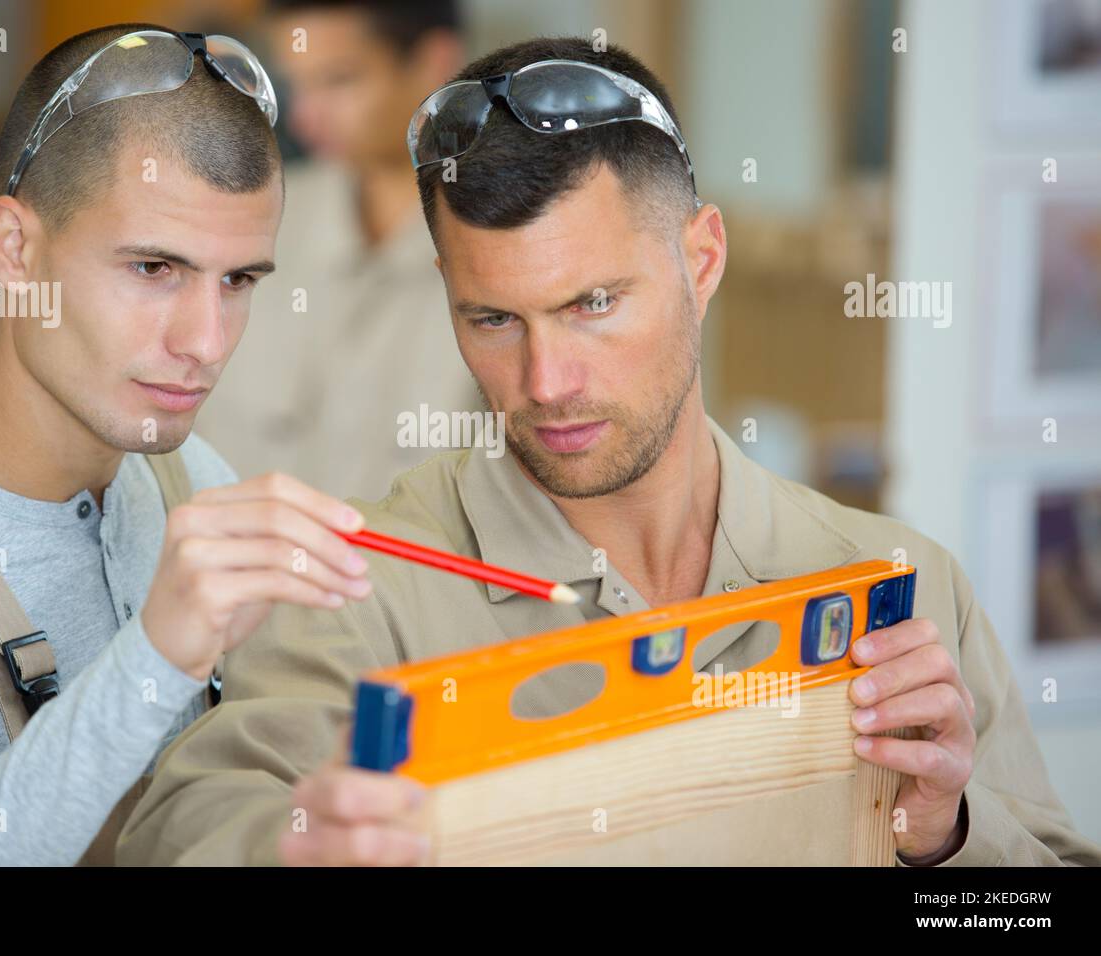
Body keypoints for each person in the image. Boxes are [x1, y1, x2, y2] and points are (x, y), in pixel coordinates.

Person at [118, 36, 1101, 867]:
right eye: (494, 317)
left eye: (593, 303)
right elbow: (183, 829)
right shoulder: (358, 599)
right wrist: (300, 838)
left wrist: (943, 835)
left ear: (701, 259)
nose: (546, 381)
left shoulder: (900, 583)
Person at [0, 23, 372, 866]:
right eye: (153, 269)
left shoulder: (191, 482)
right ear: (14, 248)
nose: (207, 342)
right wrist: (153, 659)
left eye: (240, 280)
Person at [194, 0, 480, 501]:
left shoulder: (508, 255)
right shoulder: (248, 228)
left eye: (339, 81)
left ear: (435, 61)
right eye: (296, 84)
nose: (304, 119)